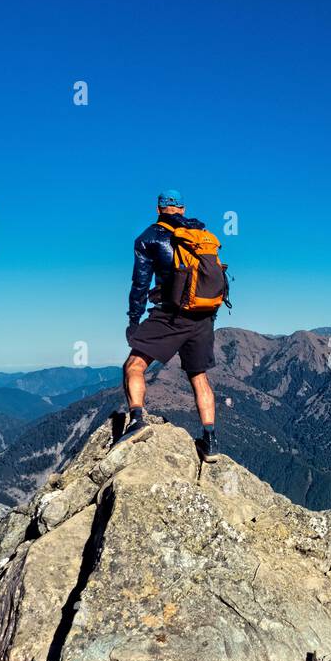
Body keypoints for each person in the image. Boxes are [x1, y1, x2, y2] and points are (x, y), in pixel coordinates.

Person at [117, 190, 219, 461]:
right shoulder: (201, 234)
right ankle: (209, 442)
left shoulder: (148, 238)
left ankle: (137, 421)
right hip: (203, 316)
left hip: (170, 315)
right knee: (199, 377)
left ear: (158, 208)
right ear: (183, 208)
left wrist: (133, 321)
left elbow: (140, 285)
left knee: (134, 366)